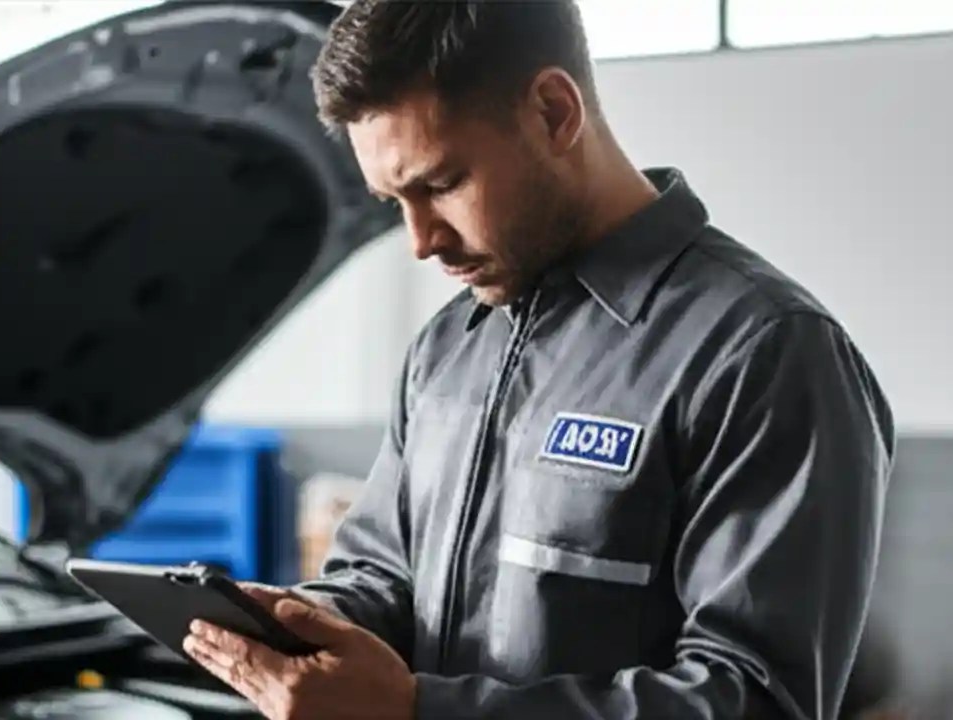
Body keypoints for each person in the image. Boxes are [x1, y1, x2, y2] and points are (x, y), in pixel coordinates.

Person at [181, 2, 895, 719]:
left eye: (440, 184)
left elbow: (756, 700)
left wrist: (421, 710)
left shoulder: (762, 352)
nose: (421, 241)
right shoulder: (447, 348)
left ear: (554, 113)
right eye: (394, 201)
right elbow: (385, 577)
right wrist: (292, 626)